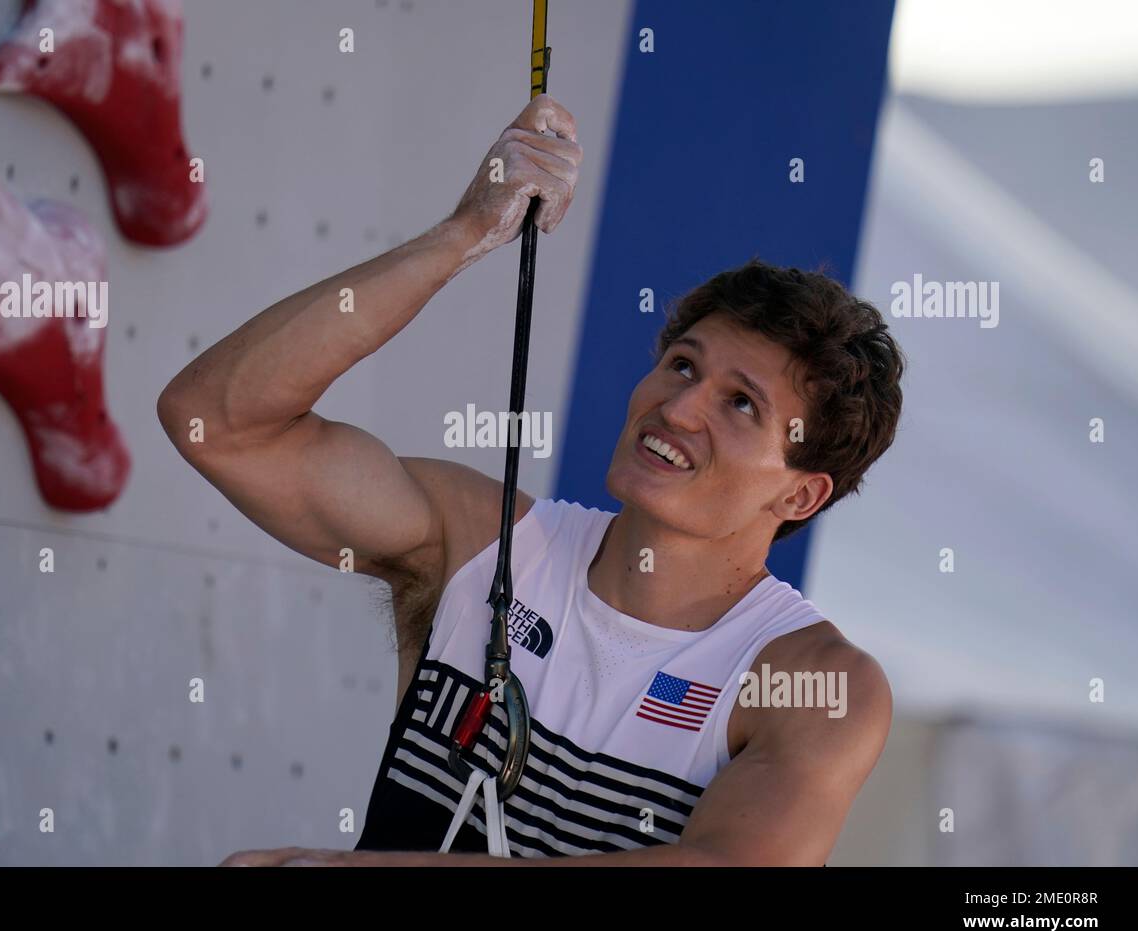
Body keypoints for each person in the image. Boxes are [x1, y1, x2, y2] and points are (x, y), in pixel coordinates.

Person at [157, 94, 904, 867]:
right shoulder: (478, 542)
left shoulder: (817, 681)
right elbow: (217, 421)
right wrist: (464, 235)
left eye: (739, 403)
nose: (677, 407)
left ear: (799, 493)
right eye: (681, 364)